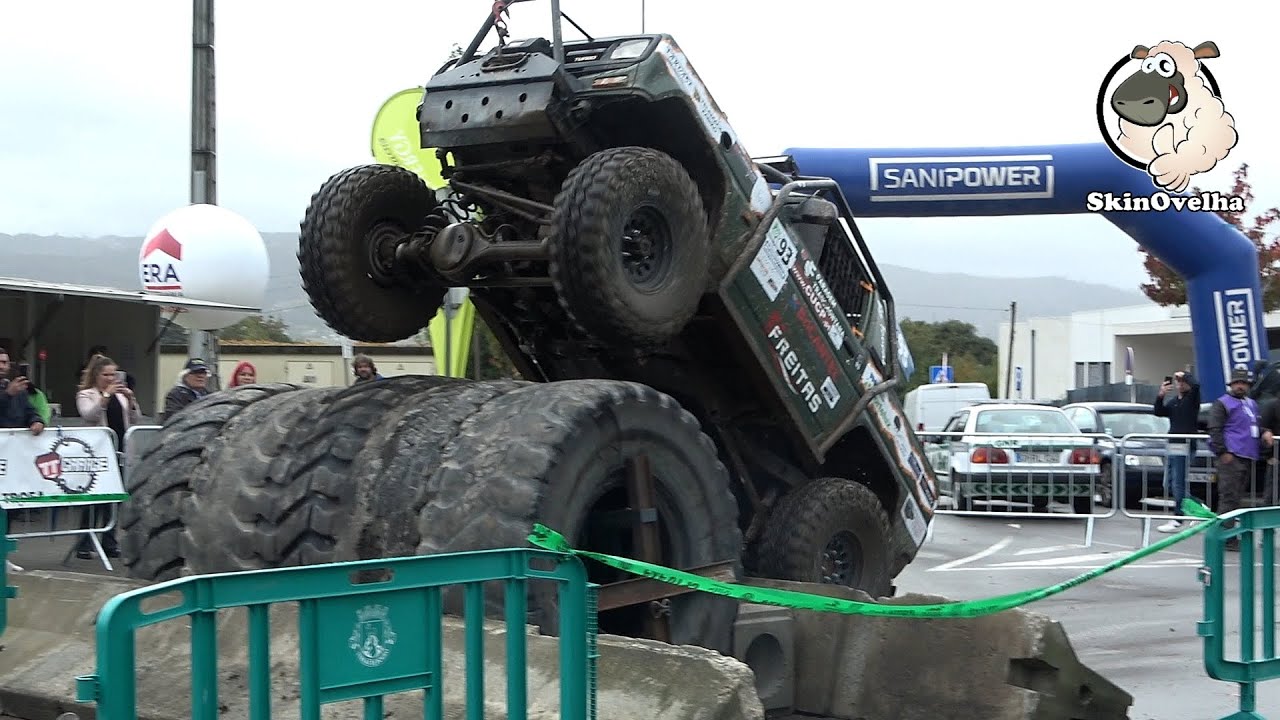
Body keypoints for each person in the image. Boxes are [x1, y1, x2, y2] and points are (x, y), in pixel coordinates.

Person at [73, 355, 139, 559]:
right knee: (93, 498)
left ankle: (109, 540)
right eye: (106, 375)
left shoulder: (120, 395)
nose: (110, 379)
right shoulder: (86, 394)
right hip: (97, 452)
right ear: (96, 375)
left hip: (120, 448)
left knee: (115, 498)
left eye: (113, 374)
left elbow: (136, 418)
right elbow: (89, 415)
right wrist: (105, 397)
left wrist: (130, 399)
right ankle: (84, 541)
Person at [1207, 368, 1265, 551]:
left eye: (1243, 383)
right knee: (1229, 498)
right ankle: (1225, 537)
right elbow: (1215, 429)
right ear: (1231, 385)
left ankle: (1230, 535)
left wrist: (1265, 432)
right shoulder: (1222, 404)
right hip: (1231, 456)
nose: (1240, 386)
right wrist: (1223, 452)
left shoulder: (1251, 404)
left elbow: (1254, 426)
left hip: (1246, 455)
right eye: (1237, 383)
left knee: (1237, 498)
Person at [1153, 370, 1201, 532]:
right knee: (1169, 483)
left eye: (1182, 381)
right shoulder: (1174, 401)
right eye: (1177, 381)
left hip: (1185, 444)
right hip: (1173, 444)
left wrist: (1184, 374)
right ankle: (1199, 507)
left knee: (1179, 483)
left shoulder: (1192, 399)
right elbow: (1159, 412)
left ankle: (1178, 518)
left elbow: (1196, 385)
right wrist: (1161, 395)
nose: (1180, 384)